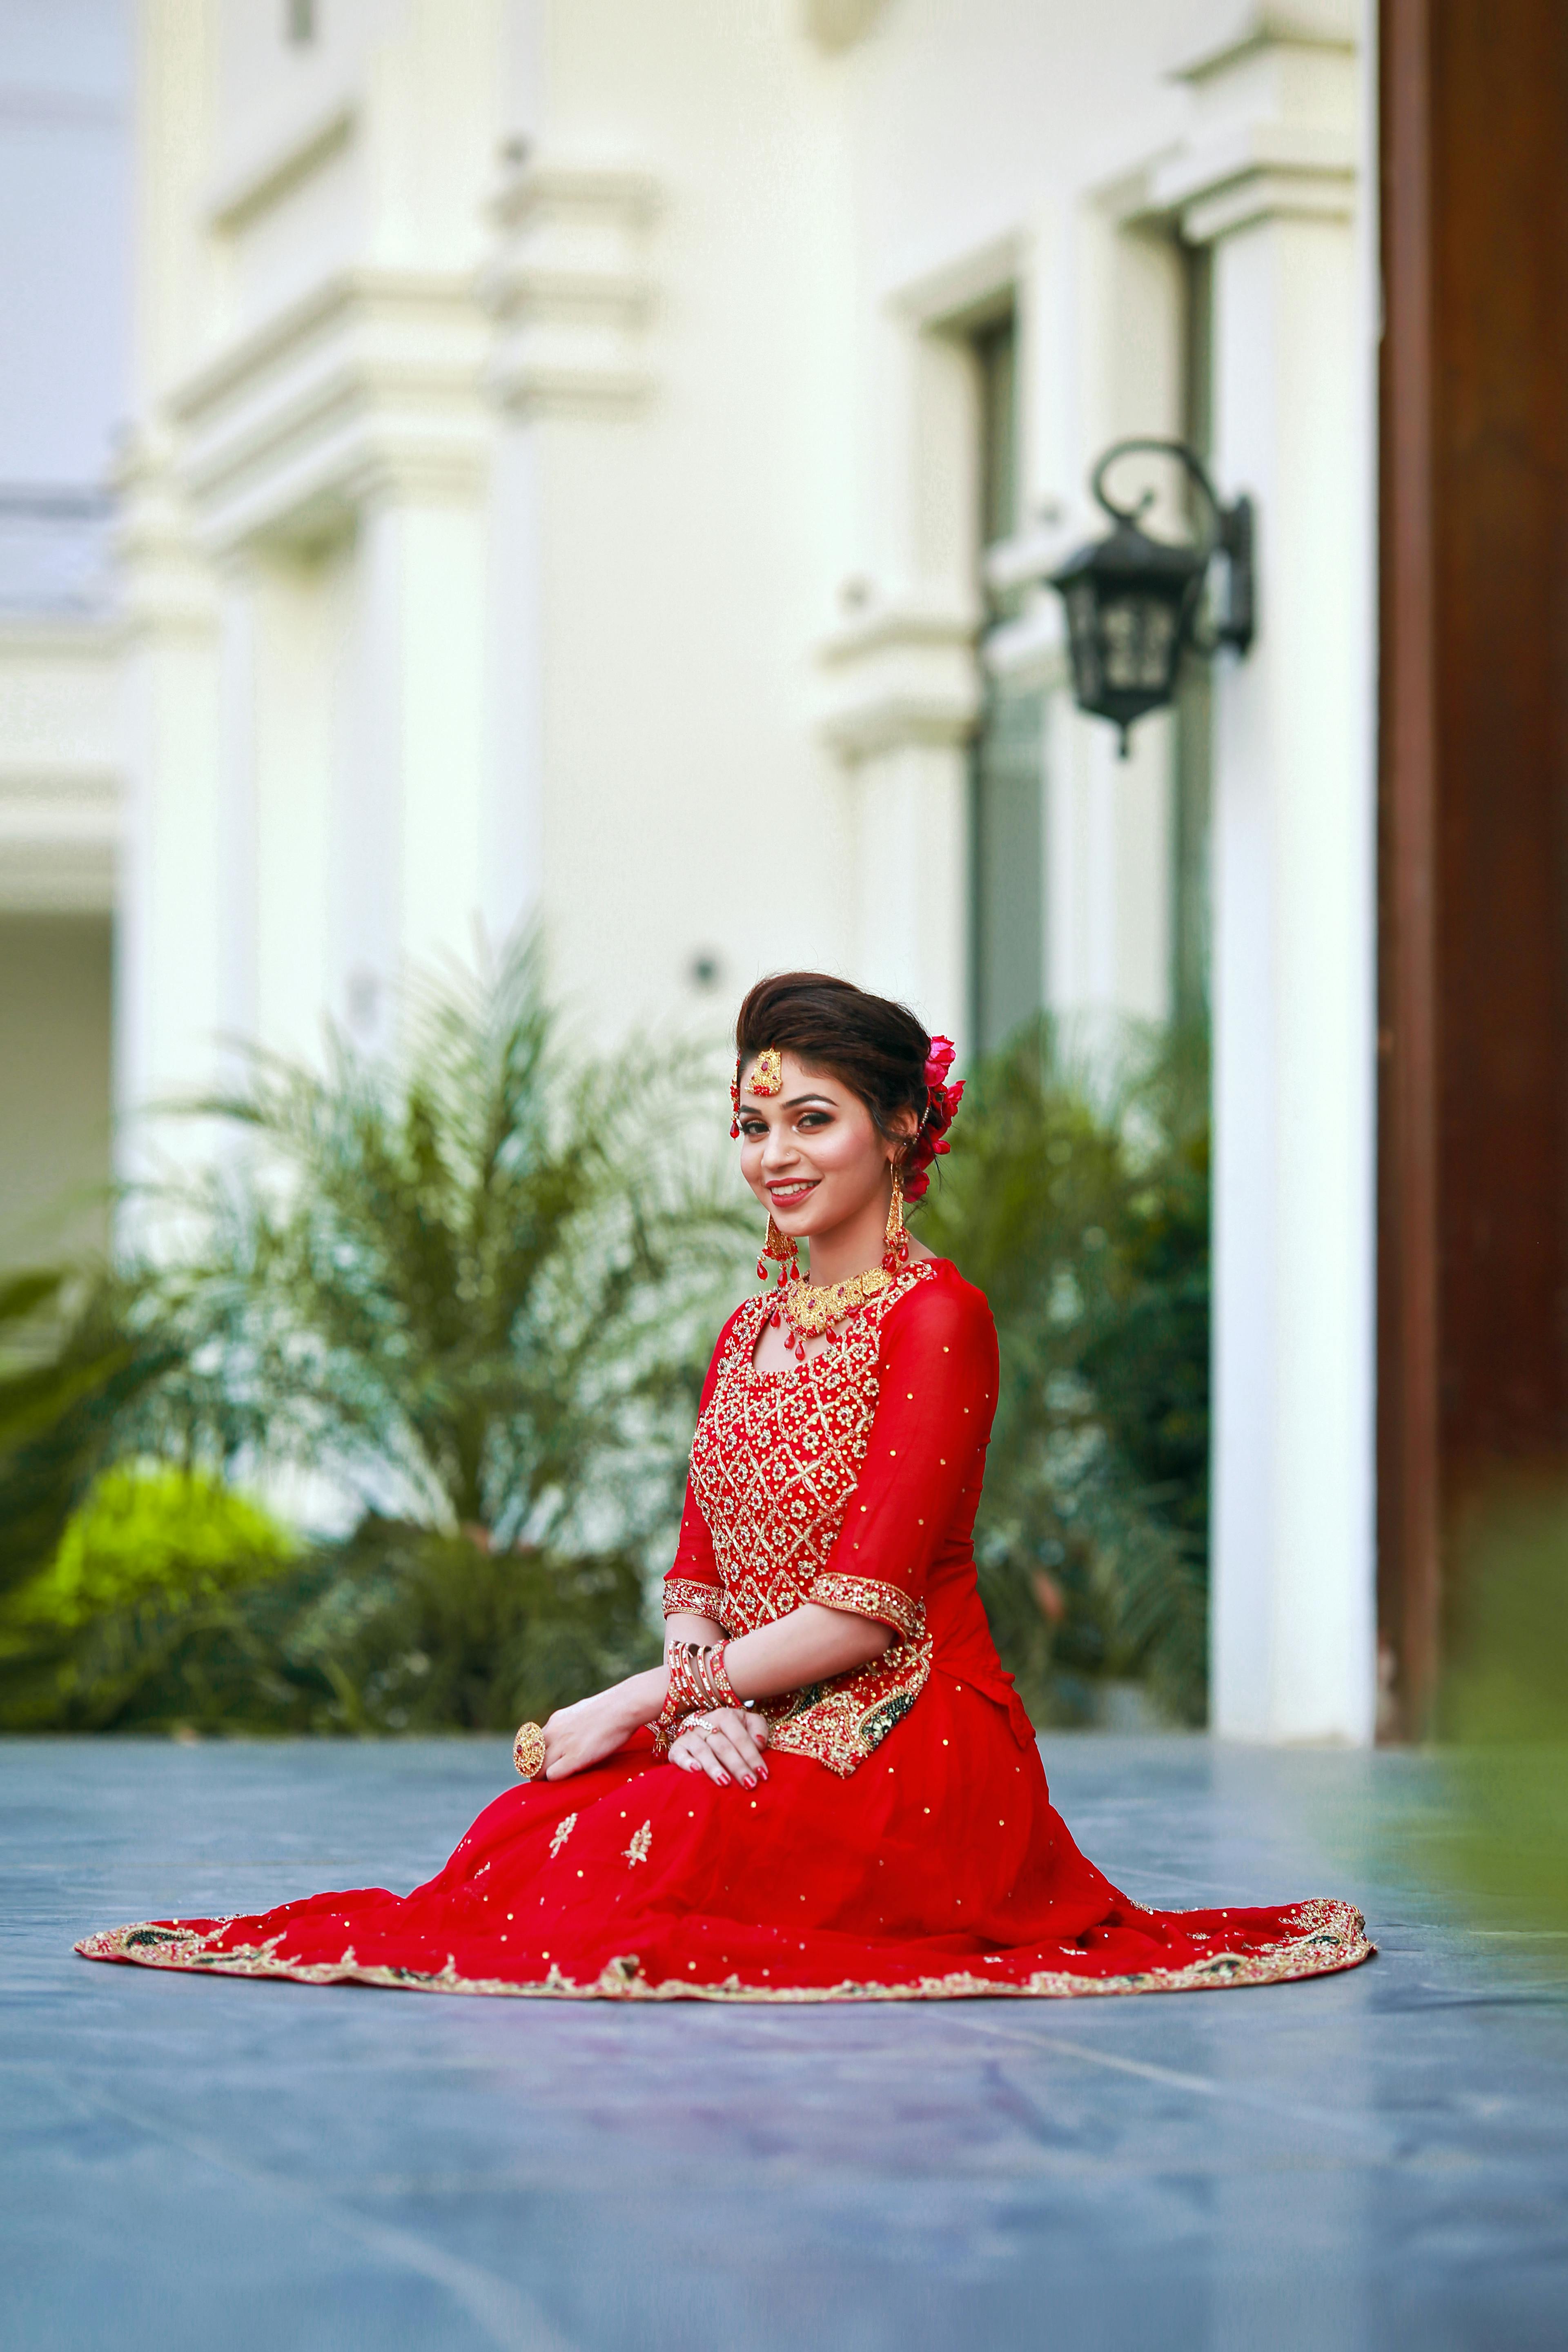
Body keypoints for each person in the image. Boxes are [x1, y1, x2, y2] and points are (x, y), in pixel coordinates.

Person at [78, 973, 1372, 2001]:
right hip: (753, 1707)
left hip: (911, 1727)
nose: (775, 1154)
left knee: (653, 1855)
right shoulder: (748, 1330)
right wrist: (699, 1705)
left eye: (813, 1119)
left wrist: (645, 1698)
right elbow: (699, 1570)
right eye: (754, 1125)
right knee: (535, 1834)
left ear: (903, 1129)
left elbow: (868, 1613)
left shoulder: (940, 1322)